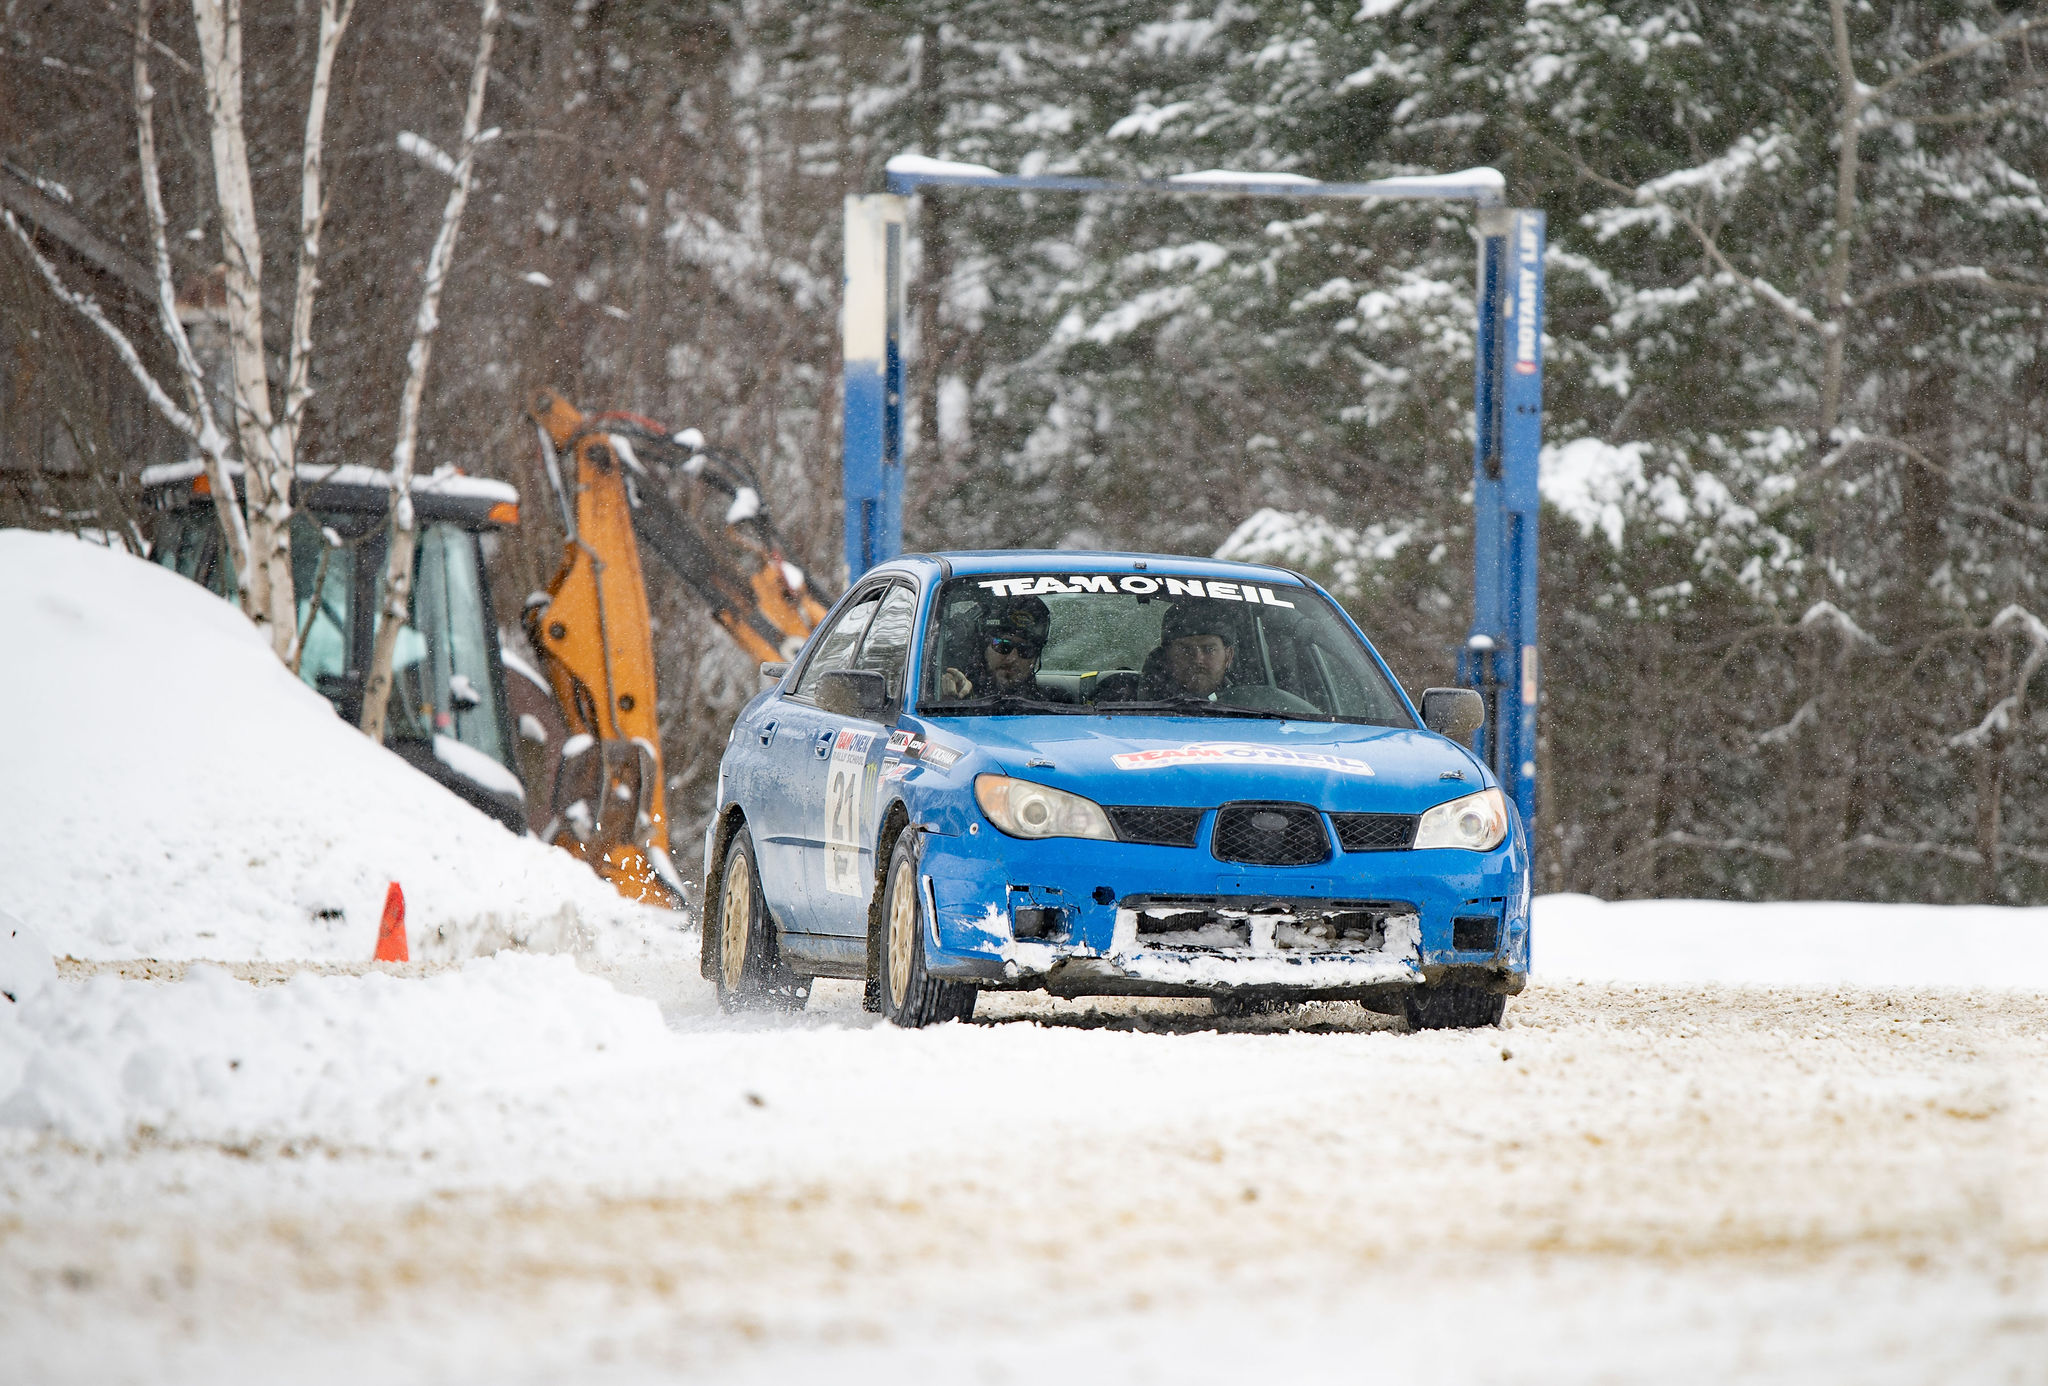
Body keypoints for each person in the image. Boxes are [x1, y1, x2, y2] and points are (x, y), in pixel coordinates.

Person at [939, 595, 1053, 699]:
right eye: (1003, 646)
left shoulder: (1051, 705)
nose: (1013, 658)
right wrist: (951, 696)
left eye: (1026, 650)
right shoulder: (963, 687)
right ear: (984, 647)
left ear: (1035, 658)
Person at [1147, 600, 1240, 700]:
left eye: (1209, 649)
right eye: (1186, 650)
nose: (1198, 659)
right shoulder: (1140, 706)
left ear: (1228, 656)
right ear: (1167, 656)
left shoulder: (1250, 702)